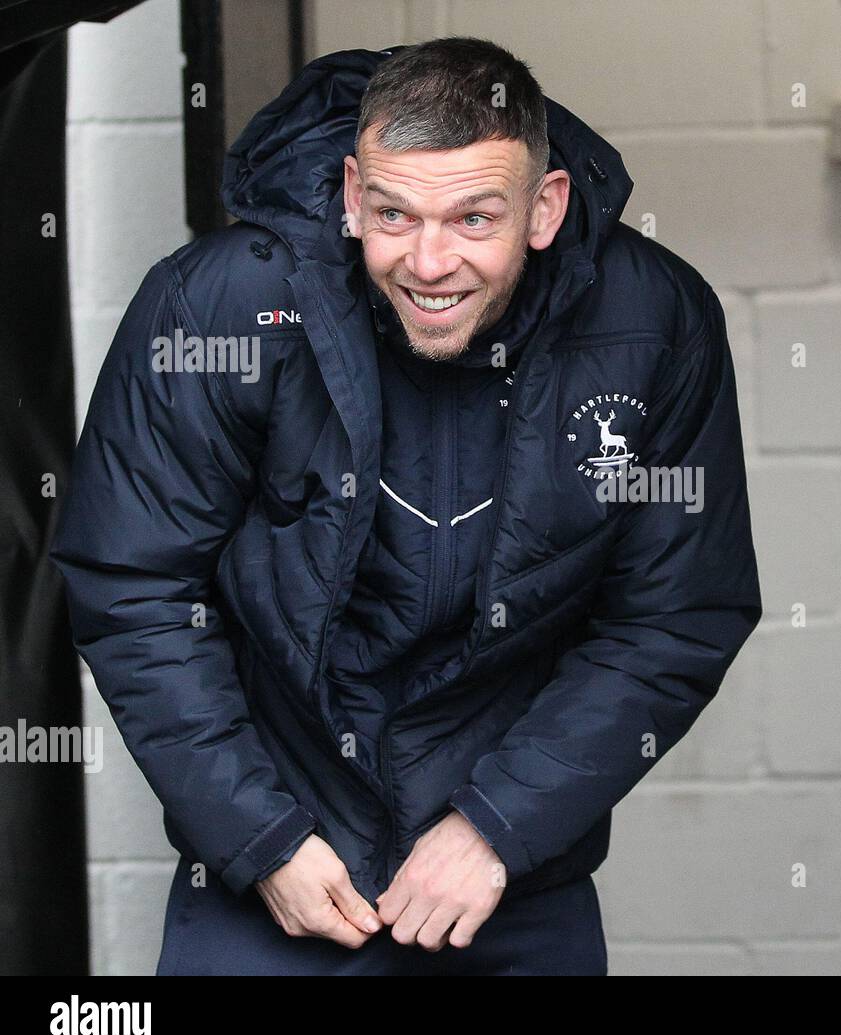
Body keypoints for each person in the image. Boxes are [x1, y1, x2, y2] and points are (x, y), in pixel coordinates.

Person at [50, 37, 761, 976]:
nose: (430, 262)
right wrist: (260, 837)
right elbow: (131, 582)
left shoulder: (654, 322)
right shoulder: (221, 306)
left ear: (543, 208)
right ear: (352, 195)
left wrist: (499, 826)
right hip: (275, 882)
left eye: (474, 218)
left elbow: (674, 613)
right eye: (394, 214)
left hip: (503, 884)